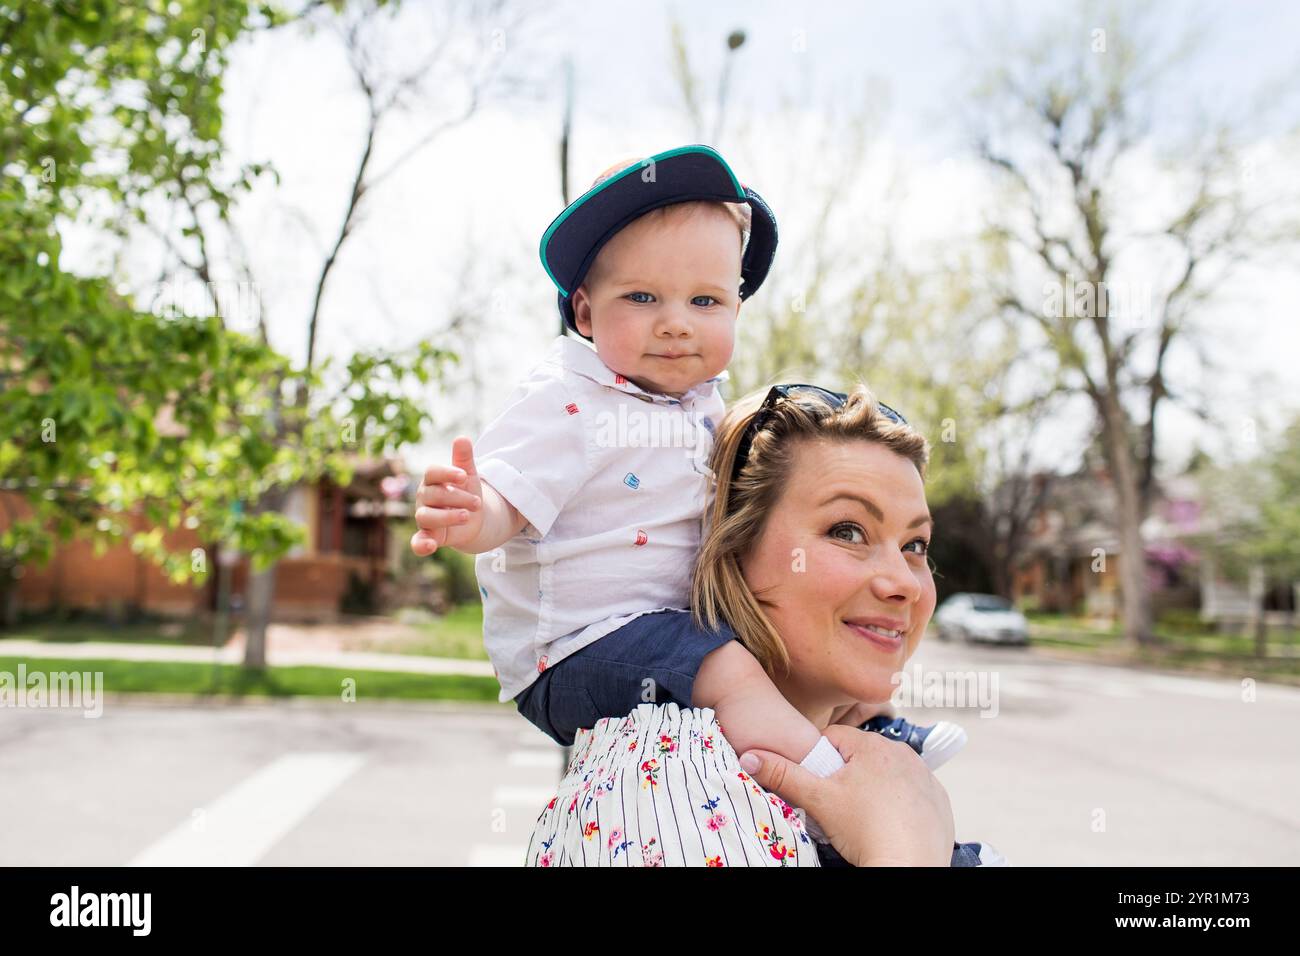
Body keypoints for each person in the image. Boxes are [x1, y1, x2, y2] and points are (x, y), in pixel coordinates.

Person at [410, 145, 965, 804]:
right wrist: (476, 515)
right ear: (585, 313)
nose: (675, 323)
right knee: (730, 671)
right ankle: (830, 781)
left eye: (705, 300)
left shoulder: (705, 411)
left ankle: (883, 739)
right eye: (642, 296)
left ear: (736, 309)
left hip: (665, 627)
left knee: (777, 663)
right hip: (575, 649)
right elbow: (510, 498)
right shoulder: (571, 398)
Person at [523, 383, 1007, 866]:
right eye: (848, 531)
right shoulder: (670, 784)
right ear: (731, 554)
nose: (906, 584)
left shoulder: (873, 775)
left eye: (915, 545)